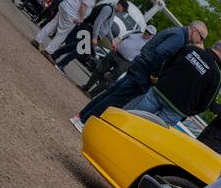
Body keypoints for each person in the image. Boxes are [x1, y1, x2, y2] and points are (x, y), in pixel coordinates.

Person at [74, 20, 207, 130]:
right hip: (143, 73)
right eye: (202, 37)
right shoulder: (179, 37)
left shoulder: (177, 32)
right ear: (194, 31)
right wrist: (155, 75)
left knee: (111, 94)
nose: (201, 41)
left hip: (139, 66)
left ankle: (82, 116)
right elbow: (161, 53)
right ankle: (84, 120)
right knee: (115, 99)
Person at [125, 40, 221, 127]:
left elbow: (167, 63)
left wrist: (161, 80)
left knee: (132, 118)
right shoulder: (217, 76)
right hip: (176, 109)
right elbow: (205, 104)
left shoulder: (190, 49)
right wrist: (188, 112)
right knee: (150, 132)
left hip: (160, 92)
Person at [34, 0, 107, 56]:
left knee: (52, 25)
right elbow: (84, 5)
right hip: (72, 14)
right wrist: (81, 18)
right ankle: (48, 51)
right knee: (62, 34)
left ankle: (37, 40)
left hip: (65, 7)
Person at [51, 0, 128, 71]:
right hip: (90, 30)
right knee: (79, 50)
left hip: (91, 31)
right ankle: (61, 64)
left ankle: (55, 55)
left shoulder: (112, 12)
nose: (122, 12)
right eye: (123, 9)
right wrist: (94, 37)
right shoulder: (108, 9)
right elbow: (98, 22)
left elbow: (107, 28)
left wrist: (112, 41)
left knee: (75, 46)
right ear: (119, 5)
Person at [83, 25, 153, 95]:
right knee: (99, 70)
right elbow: (122, 38)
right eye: (147, 31)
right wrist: (116, 44)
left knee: (109, 79)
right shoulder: (136, 32)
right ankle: (86, 87)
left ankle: (92, 94)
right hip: (115, 53)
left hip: (125, 62)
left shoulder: (149, 45)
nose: (147, 33)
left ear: (152, 36)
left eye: (149, 33)